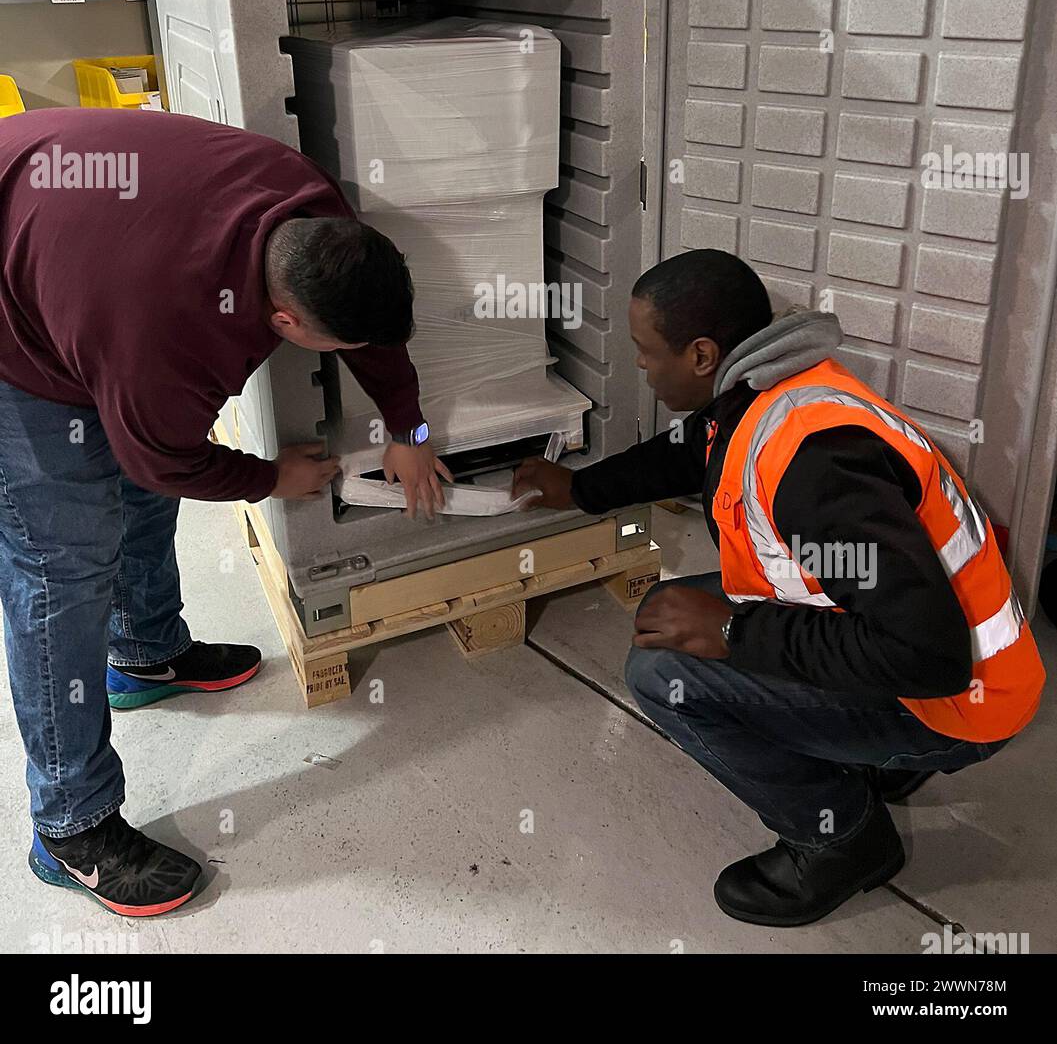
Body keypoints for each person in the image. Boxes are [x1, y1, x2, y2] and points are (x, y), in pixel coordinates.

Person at [0, 106, 448, 916]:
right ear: (284, 322)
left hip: (62, 212)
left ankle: (144, 652)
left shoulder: (315, 222)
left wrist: (409, 427)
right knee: (60, 562)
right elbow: (159, 455)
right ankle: (72, 828)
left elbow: (368, 333)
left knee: (134, 485)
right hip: (12, 315)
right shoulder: (169, 323)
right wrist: (273, 477)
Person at [512, 249, 1045, 927]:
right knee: (668, 613)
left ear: (702, 354)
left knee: (661, 670)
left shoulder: (814, 466)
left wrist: (734, 633)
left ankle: (843, 842)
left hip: (956, 700)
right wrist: (581, 489)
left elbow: (925, 653)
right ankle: (878, 760)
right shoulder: (775, 387)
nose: (642, 366)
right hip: (947, 656)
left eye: (646, 352)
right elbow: (693, 449)